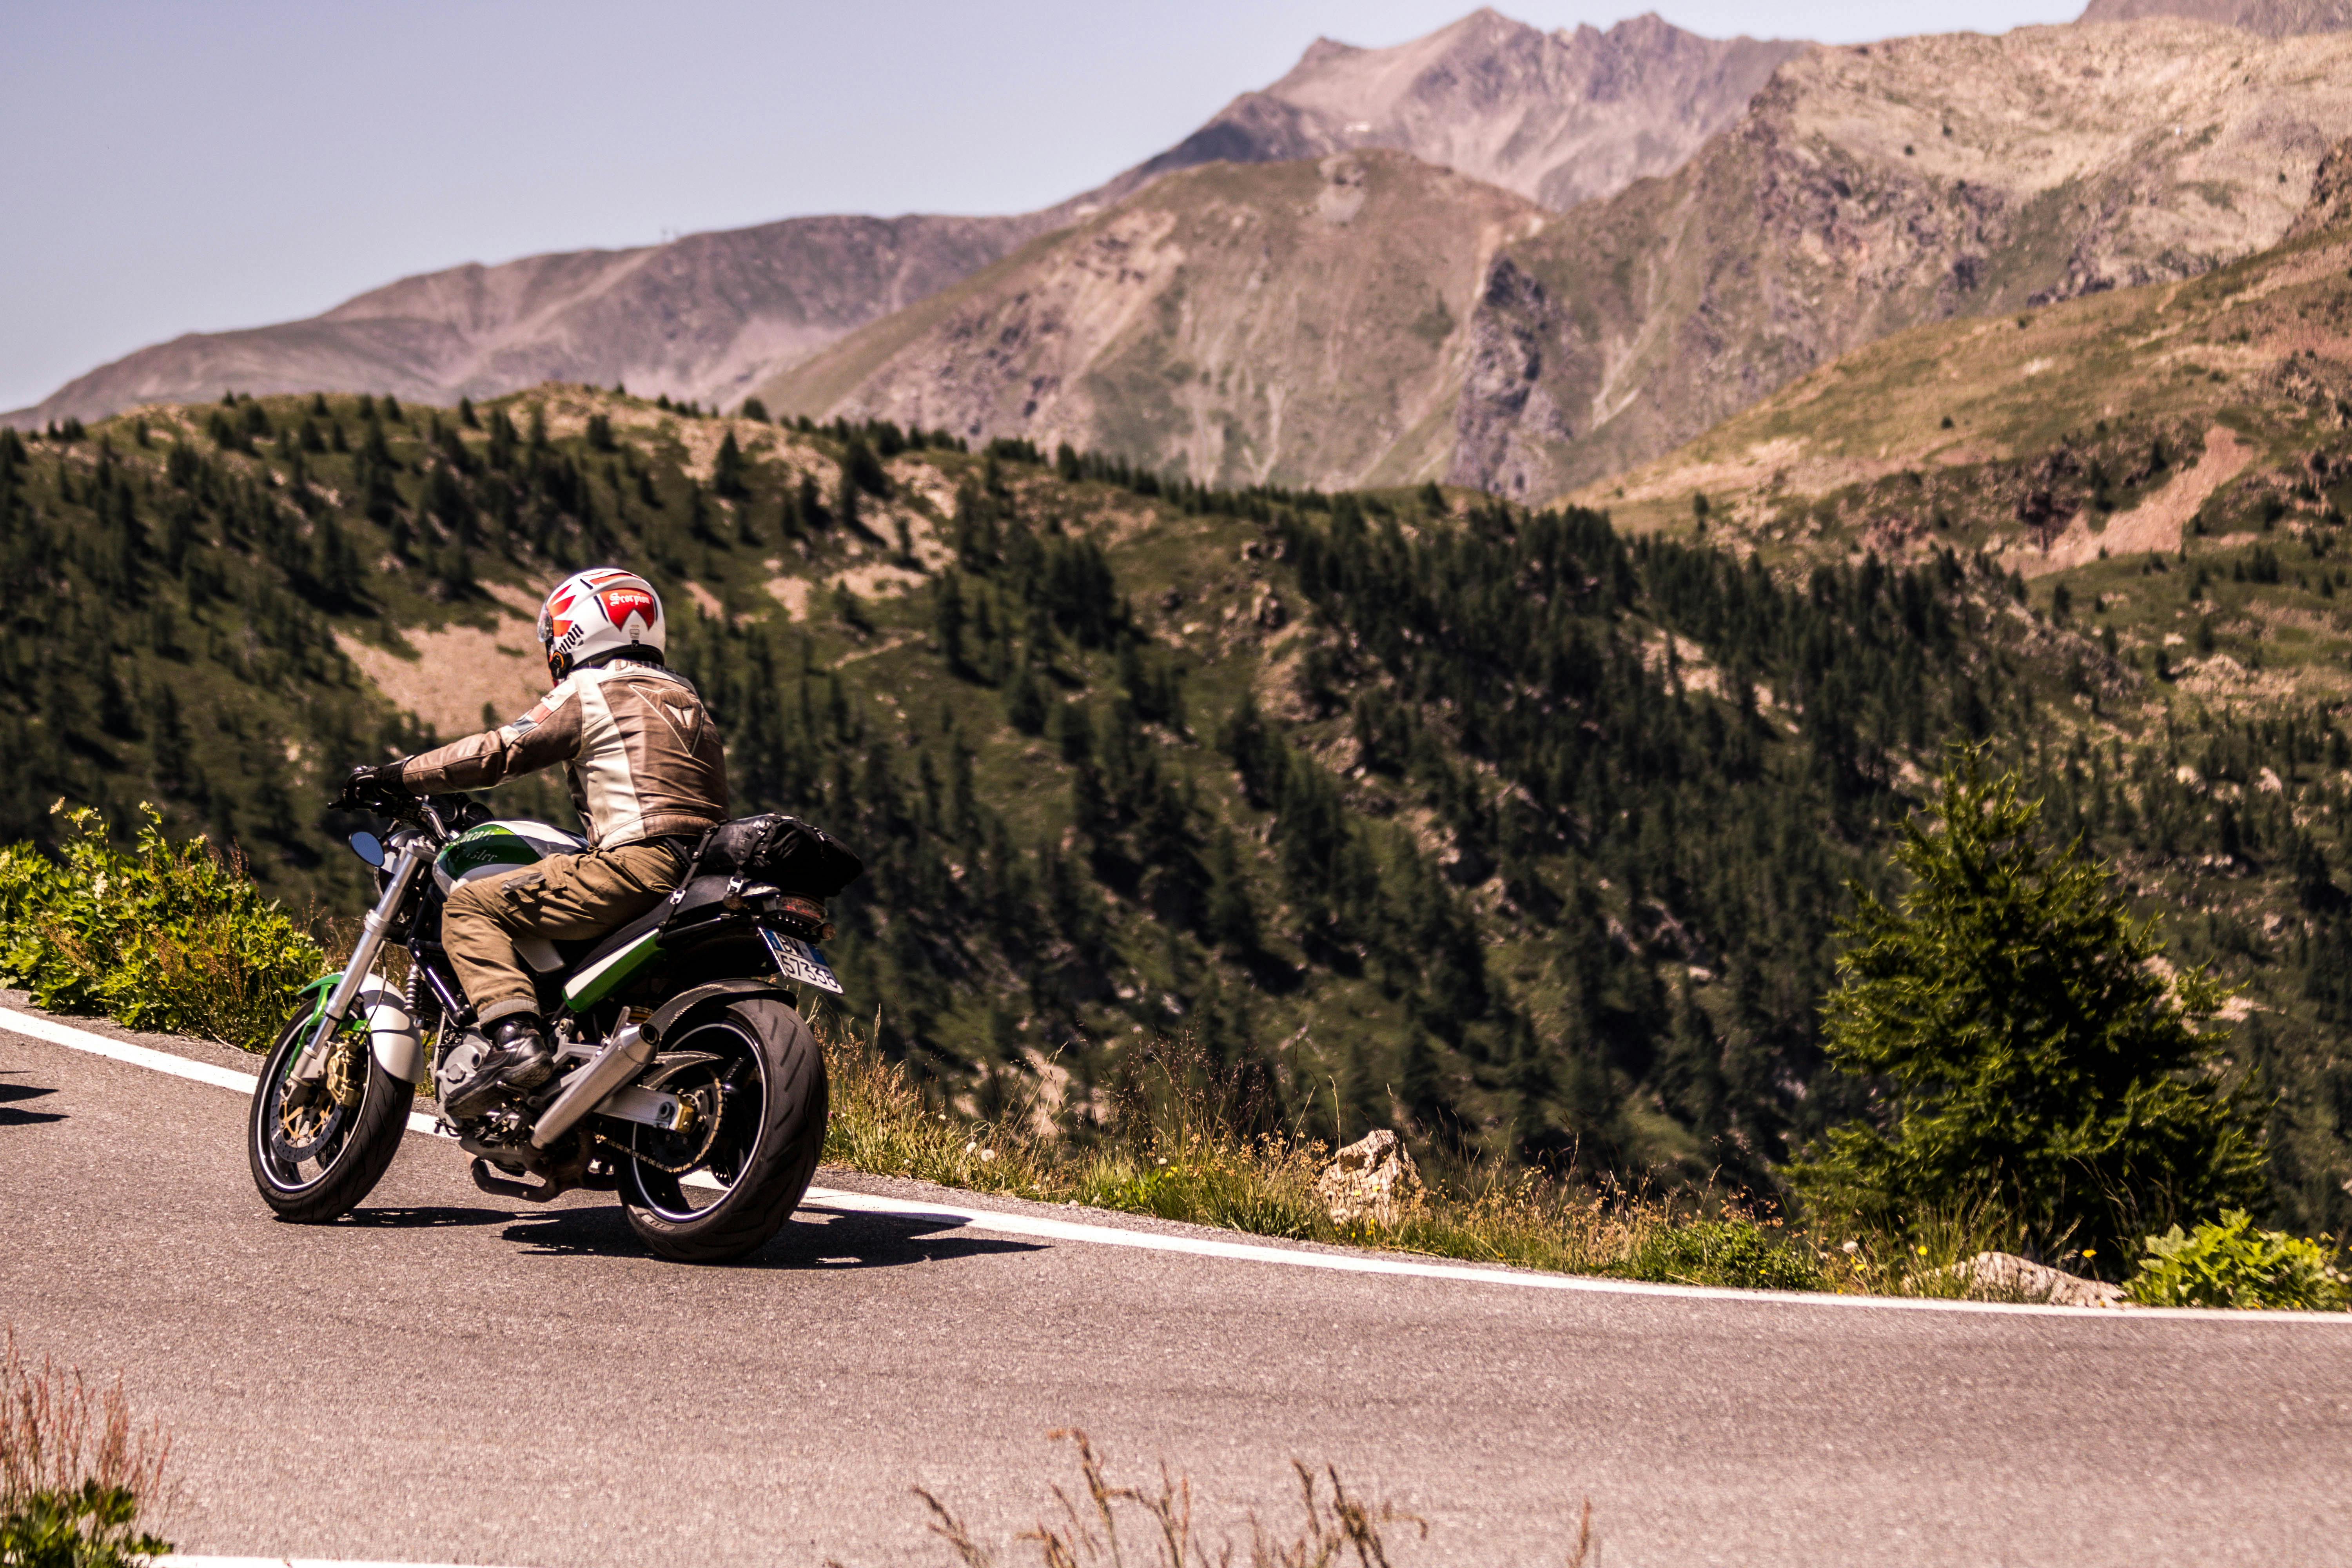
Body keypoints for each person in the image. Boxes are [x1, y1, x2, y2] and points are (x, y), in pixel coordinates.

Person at [336, 568, 728, 1117]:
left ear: (572, 631)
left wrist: (399, 775)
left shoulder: (592, 688)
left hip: (637, 865)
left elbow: (499, 752)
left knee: (472, 906)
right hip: (701, 872)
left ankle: (517, 1041)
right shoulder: (684, 696)